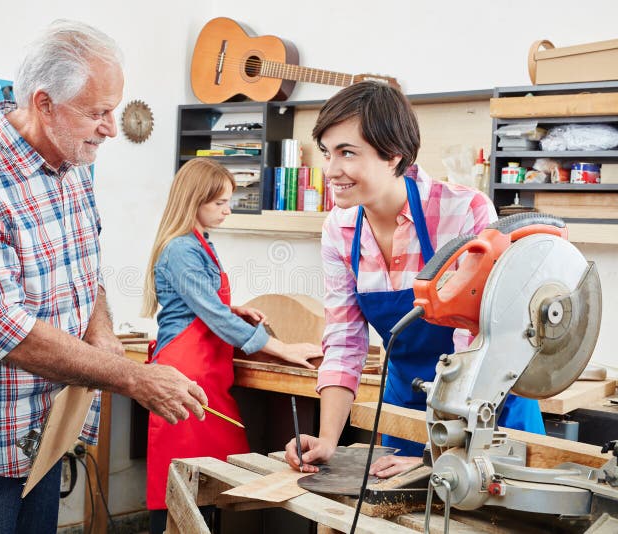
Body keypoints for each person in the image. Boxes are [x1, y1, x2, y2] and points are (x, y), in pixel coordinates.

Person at [0, 20, 208, 534]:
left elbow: (84, 270)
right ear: (44, 103)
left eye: (114, 110)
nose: (112, 128)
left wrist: (101, 332)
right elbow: (5, 331)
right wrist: (133, 378)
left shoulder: (71, 171)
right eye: (98, 113)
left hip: (45, 430)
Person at [283, 81, 546, 479]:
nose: (331, 170)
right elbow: (344, 341)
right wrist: (327, 439)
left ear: (394, 155)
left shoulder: (465, 213)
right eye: (327, 152)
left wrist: (441, 452)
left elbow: (475, 344)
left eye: (347, 153)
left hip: (485, 414)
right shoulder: (339, 228)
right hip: (407, 408)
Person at [141, 158, 323, 533]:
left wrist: (233, 308)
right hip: (186, 374)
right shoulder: (181, 250)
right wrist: (281, 348)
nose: (228, 210)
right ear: (195, 201)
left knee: (211, 473)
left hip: (206, 372)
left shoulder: (201, 243)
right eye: (220, 203)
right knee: (180, 479)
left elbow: (204, 305)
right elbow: (213, 318)